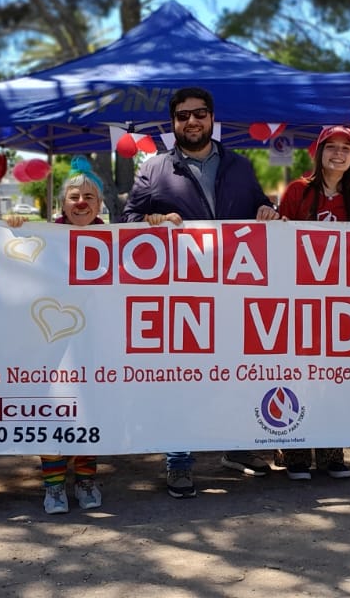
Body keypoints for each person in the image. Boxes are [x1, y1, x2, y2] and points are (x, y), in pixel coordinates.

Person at [121, 86, 281, 498]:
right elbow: (129, 219)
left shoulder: (240, 166)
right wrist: (152, 219)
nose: (192, 122)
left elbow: (261, 208)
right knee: (181, 377)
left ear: (212, 118)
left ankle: (239, 448)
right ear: (173, 124)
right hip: (181, 294)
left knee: (239, 370)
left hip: (235, 290)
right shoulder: (155, 168)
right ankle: (178, 461)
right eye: (183, 116)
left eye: (199, 114)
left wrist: (267, 211)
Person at [6, 159, 106, 513]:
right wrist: (13, 227)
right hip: (49, 341)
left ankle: (85, 479)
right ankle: (52, 486)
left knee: (89, 409)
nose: (82, 202)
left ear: (100, 204)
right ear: (62, 203)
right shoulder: (44, 236)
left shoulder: (118, 238)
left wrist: (163, 223)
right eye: (74, 196)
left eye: (89, 196)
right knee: (50, 409)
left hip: (94, 342)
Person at [277, 125, 350, 480]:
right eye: (332, 147)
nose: (338, 154)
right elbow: (277, 244)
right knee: (297, 373)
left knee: (333, 377)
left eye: (346, 148)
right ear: (320, 151)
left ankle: (331, 448)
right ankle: (296, 449)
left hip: (338, 301)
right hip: (299, 298)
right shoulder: (298, 191)